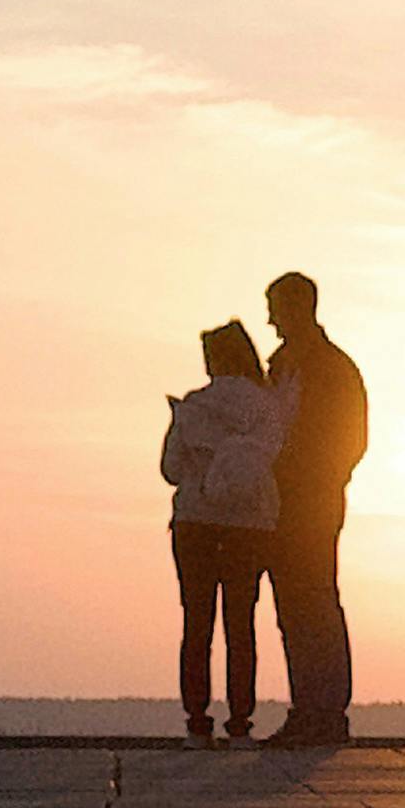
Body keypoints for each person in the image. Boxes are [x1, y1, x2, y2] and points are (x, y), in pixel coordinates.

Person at [157, 317, 291, 743]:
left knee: (196, 624)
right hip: (249, 526)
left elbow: (171, 470)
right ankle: (240, 722)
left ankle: (197, 721)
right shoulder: (267, 407)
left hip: (195, 522)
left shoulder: (194, 406)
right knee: (241, 624)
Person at [256, 269, 368, 746]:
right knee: (291, 605)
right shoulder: (279, 364)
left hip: (315, 500)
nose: (270, 320)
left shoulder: (333, 366)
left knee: (317, 599)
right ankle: (306, 707)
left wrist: (324, 478)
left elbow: (353, 437)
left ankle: (328, 711)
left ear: (299, 308)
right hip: (277, 503)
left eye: (276, 309)